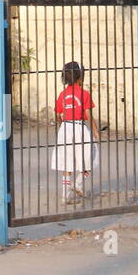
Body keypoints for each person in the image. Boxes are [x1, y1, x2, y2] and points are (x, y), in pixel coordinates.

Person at [51, 61, 99, 204]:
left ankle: (65, 196)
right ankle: (78, 183)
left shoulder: (63, 94)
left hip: (65, 128)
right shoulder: (84, 94)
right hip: (79, 128)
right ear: (80, 76)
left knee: (67, 161)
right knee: (90, 156)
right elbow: (88, 115)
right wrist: (95, 130)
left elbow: (58, 114)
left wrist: (63, 125)